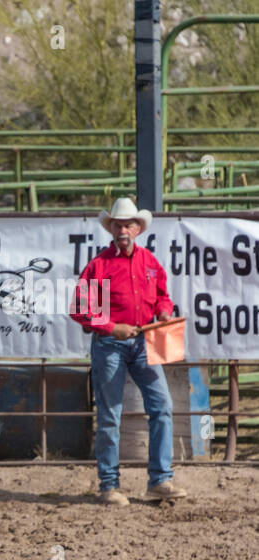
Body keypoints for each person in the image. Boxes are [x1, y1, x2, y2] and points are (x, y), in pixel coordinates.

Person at [70, 197, 187, 505]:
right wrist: (111, 328)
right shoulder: (99, 266)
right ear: (112, 229)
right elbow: (81, 309)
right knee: (110, 415)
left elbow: (162, 296)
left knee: (161, 406)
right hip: (111, 344)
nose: (123, 230)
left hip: (143, 340)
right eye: (118, 225)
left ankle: (159, 480)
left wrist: (163, 312)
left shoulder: (150, 263)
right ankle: (110, 484)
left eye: (128, 224)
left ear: (138, 228)